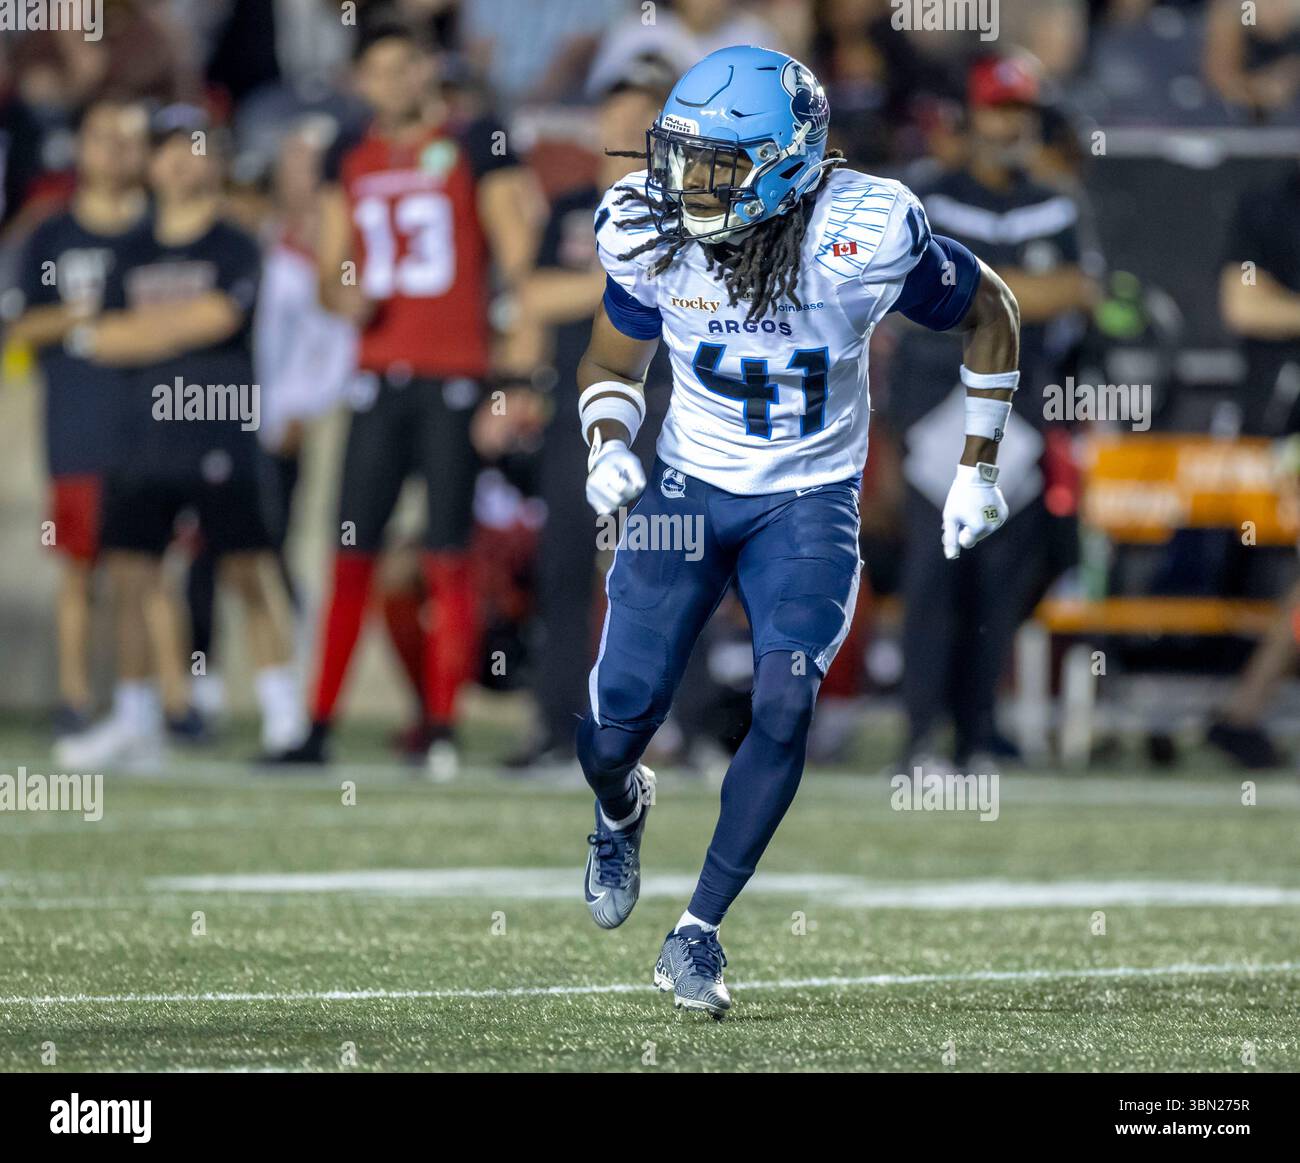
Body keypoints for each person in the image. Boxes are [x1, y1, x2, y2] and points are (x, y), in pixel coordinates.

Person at [575, 46, 1020, 1016]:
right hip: (689, 491)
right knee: (610, 728)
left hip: (807, 500)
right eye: (680, 157)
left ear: (784, 164)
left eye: (716, 164)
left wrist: (979, 466)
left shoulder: (859, 232)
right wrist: (606, 439)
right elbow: (609, 358)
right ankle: (619, 805)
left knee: (785, 697)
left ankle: (697, 929)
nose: (687, 183)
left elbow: (991, 311)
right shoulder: (647, 230)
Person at [276, 24, 536, 778]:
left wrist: (514, 376)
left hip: (454, 376)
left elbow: (514, 255)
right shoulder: (349, 154)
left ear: (426, 70)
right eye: (377, 70)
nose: (391, 83)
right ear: (360, 81)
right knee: (351, 551)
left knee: (447, 553)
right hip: (378, 375)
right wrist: (346, 294)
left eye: (404, 66)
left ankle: (443, 723)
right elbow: (335, 268)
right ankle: (319, 722)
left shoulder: (476, 140)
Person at [54, 104, 305, 770]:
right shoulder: (130, 247)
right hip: (141, 436)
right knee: (132, 574)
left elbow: (220, 314)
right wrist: (176, 323)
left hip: (219, 428)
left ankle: (285, 716)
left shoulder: (235, 241)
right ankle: (137, 719)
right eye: (165, 148)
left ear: (214, 161)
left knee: (247, 569)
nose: (177, 160)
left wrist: (151, 328)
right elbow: (99, 337)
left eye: (192, 148)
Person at [889, 54, 1097, 772]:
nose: (1008, 125)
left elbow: (1077, 289)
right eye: (997, 110)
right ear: (972, 117)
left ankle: (979, 730)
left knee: (1000, 578)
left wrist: (980, 298)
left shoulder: (1057, 199)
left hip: (1021, 410)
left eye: (1020, 112)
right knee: (933, 573)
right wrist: (1017, 297)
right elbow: (915, 292)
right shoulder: (930, 193)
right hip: (935, 406)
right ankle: (921, 733)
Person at [502, 53, 676, 773]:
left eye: (646, 111)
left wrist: (590, 284)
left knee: (670, 565)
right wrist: (619, 275)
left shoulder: (694, 210)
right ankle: (557, 724)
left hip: (671, 403)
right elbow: (530, 297)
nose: (629, 123)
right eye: (619, 110)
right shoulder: (574, 208)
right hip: (581, 406)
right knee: (566, 566)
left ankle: (679, 725)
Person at [8, 98, 151, 736]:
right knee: (77, 567)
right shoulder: (54, 233)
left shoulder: (162, 230)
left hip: (156, 421)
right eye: (103, 138)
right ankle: (74, 696)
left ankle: (154, 701)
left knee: (148, 573)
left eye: (128, 139)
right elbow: (23, 325)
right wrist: (86, 316)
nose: (116, 151)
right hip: (79, 420)